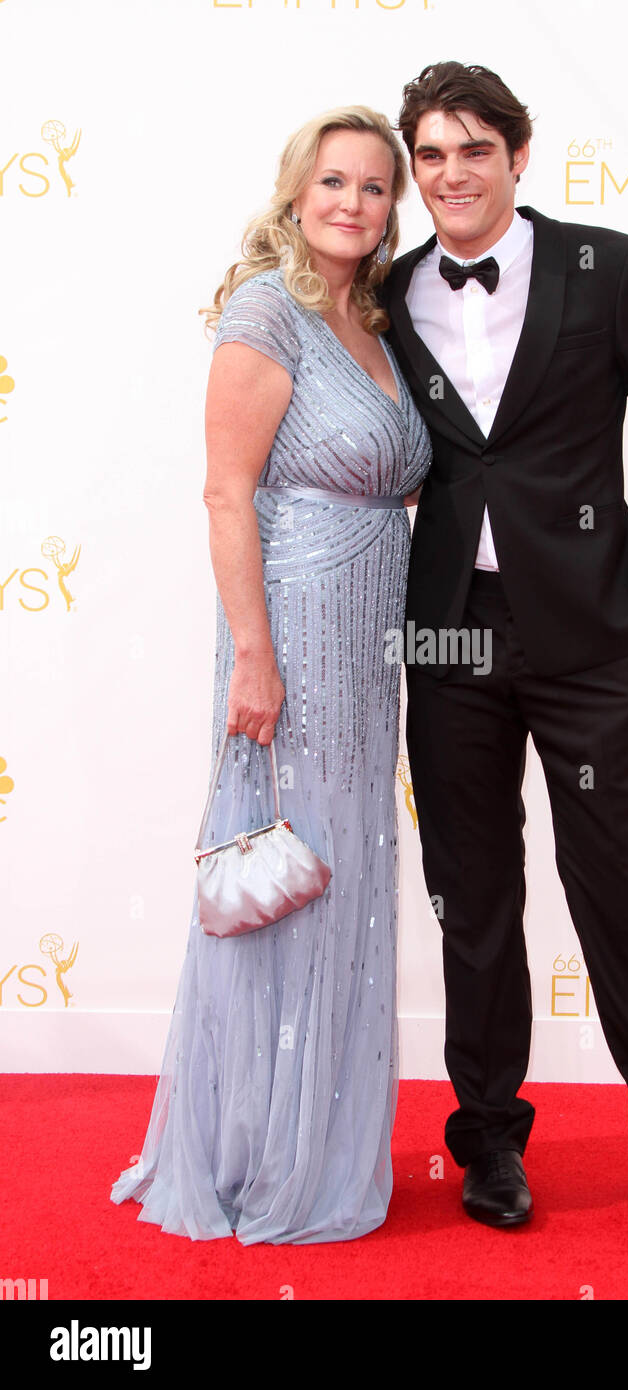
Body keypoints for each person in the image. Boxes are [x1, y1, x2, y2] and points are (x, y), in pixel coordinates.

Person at [384, 62, 628, 1232]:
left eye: (473, 150)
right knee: (473, 899)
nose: (451, 174)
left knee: (617, 887)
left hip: (585, 633)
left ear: (517, 156)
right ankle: (489, 1145)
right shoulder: (384, 292)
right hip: (450, 633)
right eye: (431, 155)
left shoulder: (604, 266)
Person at [110, 107, 431, 1244]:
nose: (353, 202)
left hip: (366, 646)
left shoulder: (375, 321)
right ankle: (251, 1152)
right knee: (275, 876)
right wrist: (252, 653)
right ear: (297, 191)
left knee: (341, 867)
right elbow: (225, 492)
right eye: (333, 181)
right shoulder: (266, 311)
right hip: (287, 639)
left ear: (392, 210)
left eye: (374, 188)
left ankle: (323, 1142)